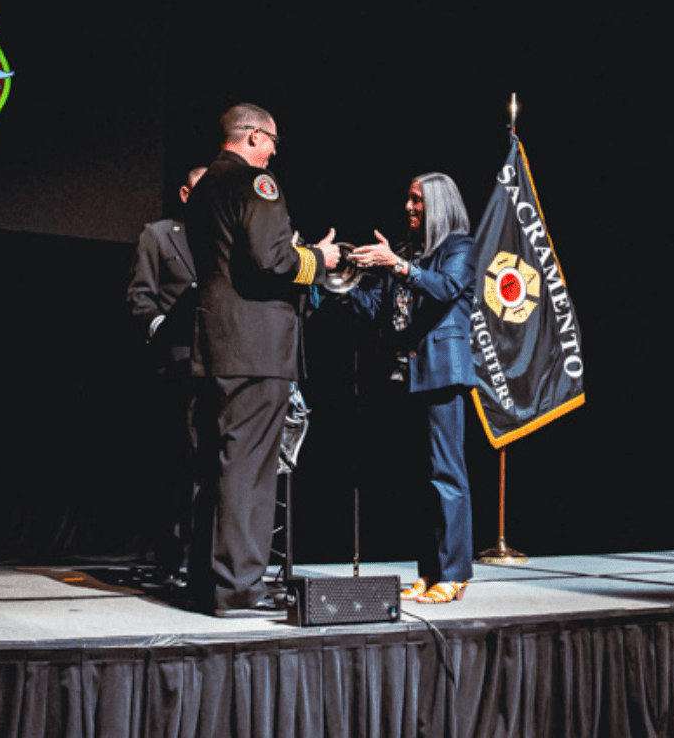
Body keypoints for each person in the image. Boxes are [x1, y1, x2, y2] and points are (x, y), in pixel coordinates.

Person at [186, 104, 340, 618]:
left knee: (216, 468)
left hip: (216, 344)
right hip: (256, 347)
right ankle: (237, 589)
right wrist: (318, 260)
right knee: (249, 471)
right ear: (254, 136)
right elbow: (271, 260)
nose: (273, 152)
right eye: (272, 141)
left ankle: (207, 584)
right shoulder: (256, 183)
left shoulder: (204, 186)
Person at [349, 172, 476, 604]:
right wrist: (342, 278)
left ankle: (454, 573)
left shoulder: (459, 247)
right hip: (406, 376)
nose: (408, 207)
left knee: (446, 475)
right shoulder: (405, 253)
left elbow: (445, 288)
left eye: (417, 200)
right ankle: (429, 571)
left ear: (438, 203)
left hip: (442, 374)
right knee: (420, 479)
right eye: (408, 199)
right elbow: (376, 309)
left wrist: (398, 266)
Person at [125, 166, 207, 585]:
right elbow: (140, 297)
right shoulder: (158, 235)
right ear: (185, 194)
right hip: (176, 366)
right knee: (180, 467)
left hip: (221, 367)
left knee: (211, 466)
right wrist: (163, 328)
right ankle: (174, 558)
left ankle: (206, 558)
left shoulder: (227, 239)